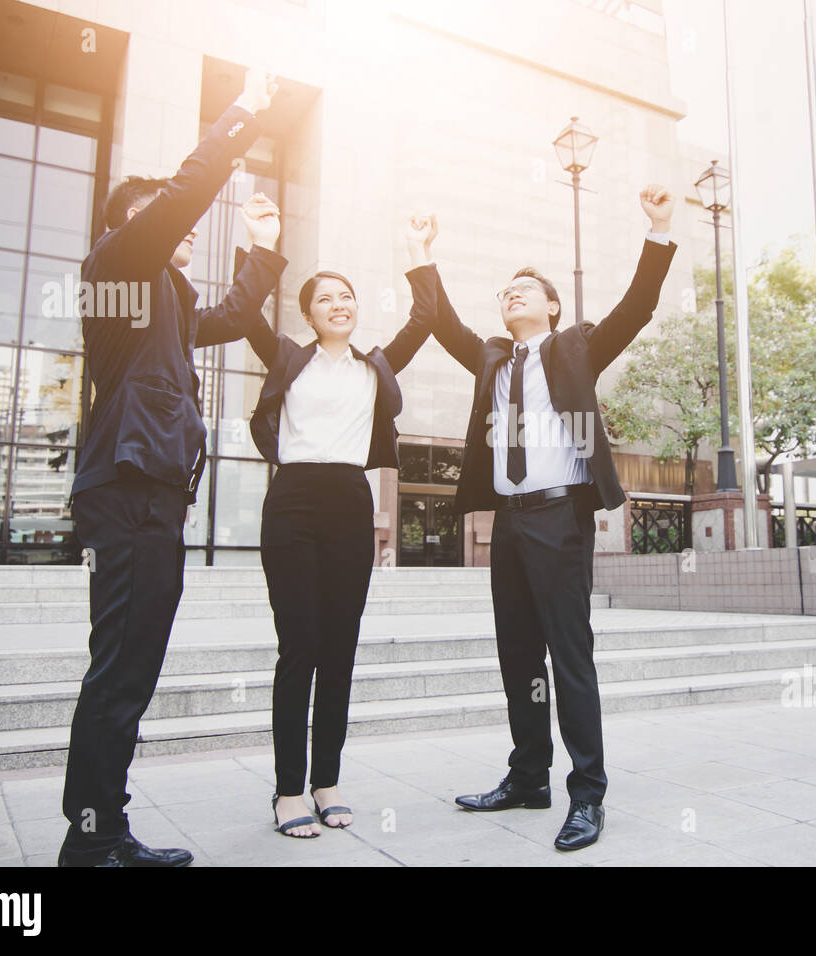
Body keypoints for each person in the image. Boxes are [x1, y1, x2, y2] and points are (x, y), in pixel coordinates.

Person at [58, 70, 285, 867]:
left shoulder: (171, 308)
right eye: (170, 225)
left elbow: (229, 316)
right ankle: (91, 841)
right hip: (123, 495)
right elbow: (182, 199)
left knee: (133, 666)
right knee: (120, 665)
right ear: (134, 225)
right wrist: (244, 115)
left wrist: (261, 249)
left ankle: (104, 829)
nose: (188, 233)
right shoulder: (116, 270)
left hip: (155, 502)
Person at [411, 187, 676, 850]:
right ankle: (528, 776)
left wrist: (660, 227)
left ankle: (587, 794)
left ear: (552, 305)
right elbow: (441, 322)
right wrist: (421, 254)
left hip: (561, 518)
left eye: (526, 288)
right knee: (518, 655)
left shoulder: (575, 347)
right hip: (509, 522)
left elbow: (638, 307)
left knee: (569, 655)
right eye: (505, 290)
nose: (513, 294)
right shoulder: (492, 359)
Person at [242, 218, 437, 838]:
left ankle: (327, 780)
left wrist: (416, 251)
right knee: (299, 646)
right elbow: (245, 310)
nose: (340, 304)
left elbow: (426, 316)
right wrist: (263, 242)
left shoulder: (374, 365)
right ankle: (287, 791)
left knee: (340, 650)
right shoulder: (285, 355)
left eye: (347, 296)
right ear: (308, 314)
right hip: (294, 500)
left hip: (351, 499)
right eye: (326, 297)